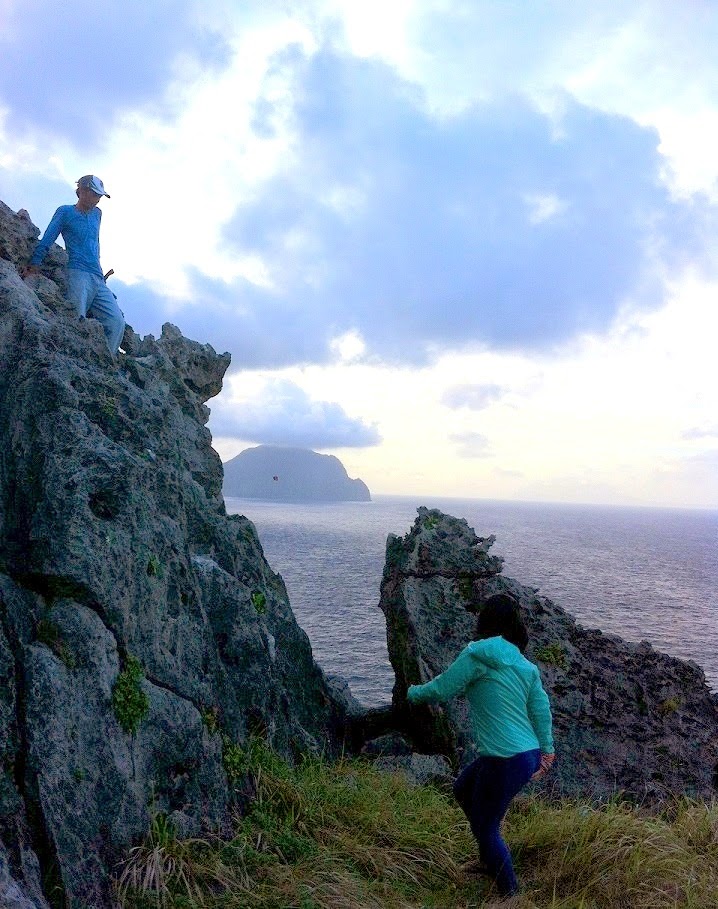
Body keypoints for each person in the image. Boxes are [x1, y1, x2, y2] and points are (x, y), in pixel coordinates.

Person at [407, 593, 555, 898]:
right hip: (523, 755)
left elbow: (441, 688)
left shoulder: (477, 654)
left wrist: (412, 693)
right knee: (463, 790)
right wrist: (547, 750)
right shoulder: (526, 666)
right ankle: (490, 859)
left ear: (484, 620)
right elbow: (541, 711)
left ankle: (510, 895)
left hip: (505, 759)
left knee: (487, 827)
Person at [20, 175, 125, 355]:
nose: (98, 199)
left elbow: (95, 243)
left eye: (100, 195)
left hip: (97, 277)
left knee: (116, 322)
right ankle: (73, 360)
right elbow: (48, 238)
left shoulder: (97, 214)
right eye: (94, 194)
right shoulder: (65, 212)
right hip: (77, 274)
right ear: (81, 191)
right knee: (76, 321)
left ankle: (107, 362)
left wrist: (100, 275)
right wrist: (35, 263)